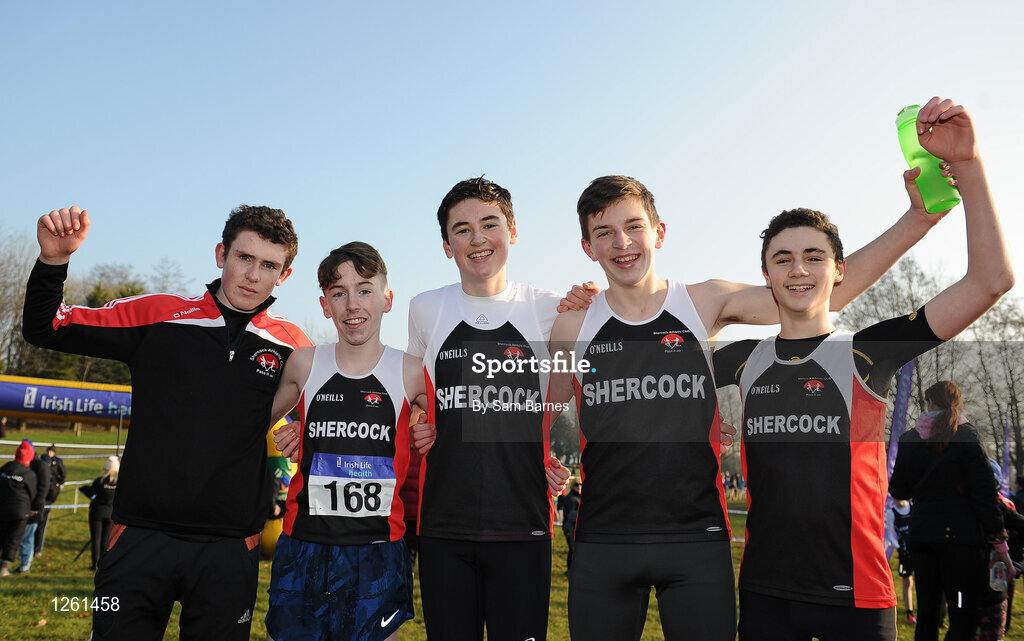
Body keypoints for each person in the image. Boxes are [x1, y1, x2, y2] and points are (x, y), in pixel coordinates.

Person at [550, 155, 948, 639]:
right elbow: (547, 405)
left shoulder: (703, 301)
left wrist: (917, 220)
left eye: (633, 226)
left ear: (659, 232)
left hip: (697, 542)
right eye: (604, 232)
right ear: (588, 247)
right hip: (603, 542)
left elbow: (820, 295)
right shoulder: (571, 323)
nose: (622, 242)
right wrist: (541, 456)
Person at [713, 97, 1011, 641]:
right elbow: (649, 370)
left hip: (857, 598)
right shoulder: (742, 360)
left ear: (838, 271)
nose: (798, 269)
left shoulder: (868, 351)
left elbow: (990, 281)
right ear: (766, 273)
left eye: (814, 256)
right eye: (782, 258)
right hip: (763, 592)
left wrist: (968, 167)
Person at [22, 204, 311, 640]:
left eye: (269, 265)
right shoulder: (158, 314)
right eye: (244, 257)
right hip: (138, 537)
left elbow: (340, 398)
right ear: (221, 254)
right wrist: (53, 260)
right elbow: (47, 326)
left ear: (283, 276)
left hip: (230, 546)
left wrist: (308, 426)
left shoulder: (294, 346)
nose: (253, 275)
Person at [406, 177, 569, 641]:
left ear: (512, 230)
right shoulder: (425, 308)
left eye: (489, 224)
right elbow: (416, 392)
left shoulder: (552, 309)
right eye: (462, 229)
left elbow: (572, 386)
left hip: (523, 523)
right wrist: (420, 418)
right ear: (447, 245)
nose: (477, 239)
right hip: (443, 525)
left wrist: (539, 437)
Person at [265, 242, 426, 641]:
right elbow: (246, 426)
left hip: (378, 549)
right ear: (325, 305)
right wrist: (304, 429)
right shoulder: (304, 363)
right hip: (304, 544)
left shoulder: (411, 372)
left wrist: (430, 429)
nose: (353, 304)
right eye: (339, 293)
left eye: (365, 290)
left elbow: (461, 426)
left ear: (387, 299)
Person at [891, 382, 1015, 641]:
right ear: (957, 404)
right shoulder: (966, 435)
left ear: (930, 402)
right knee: (962, 616)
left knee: (927, 615)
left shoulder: (910, 438)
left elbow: (898, 490)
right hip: (961, 542)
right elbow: (985, 494)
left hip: (922, 537)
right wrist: (1000, 542)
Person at [0, 440, 37, 577]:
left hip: (3, 508)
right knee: (13, 539)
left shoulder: (5, 468)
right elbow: (33, 493)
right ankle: (4, 567)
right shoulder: (29, 473)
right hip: (20, 512)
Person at [16, 440, 50, 573]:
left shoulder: (40, 466)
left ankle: (25, 563)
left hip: (33, 508)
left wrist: (35, 507)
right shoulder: (24, 465)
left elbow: (43, 488)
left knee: (28, 536)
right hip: (22, 505)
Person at [80, 456, 119, 570]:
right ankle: (104, 563)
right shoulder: (119, 482)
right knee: (106, 540)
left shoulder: (100, 481)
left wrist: (84, 489)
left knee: (96, 539)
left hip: (97, 513)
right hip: (111, 513)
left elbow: (91, 492)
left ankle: (95, 564)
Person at [33, 444, 66, 558]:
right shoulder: (38, 474)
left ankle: (37, 549)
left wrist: (58, 485)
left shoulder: (57, 463)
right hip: (38, 501)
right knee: (34, 525)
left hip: (46, 500)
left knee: (41, 525)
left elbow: (63, 474)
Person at [893, 500, 917, 625]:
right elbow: (890, 535)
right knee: (907, 582)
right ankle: (909, 613)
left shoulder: (914, 507)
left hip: (918, 551)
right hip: (904, 554)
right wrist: (900, 549)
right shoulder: (892, 513)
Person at [557, 480, 581, 571]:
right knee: (573, 550)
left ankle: (571, 569)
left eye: (581, 484)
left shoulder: (578, 497)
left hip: (574, 527)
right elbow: (570, 515)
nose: (579, 486)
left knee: (573, 550)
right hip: (570, 528)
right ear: (572, 486)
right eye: (577, 484)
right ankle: (570, 570)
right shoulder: (571, 498)